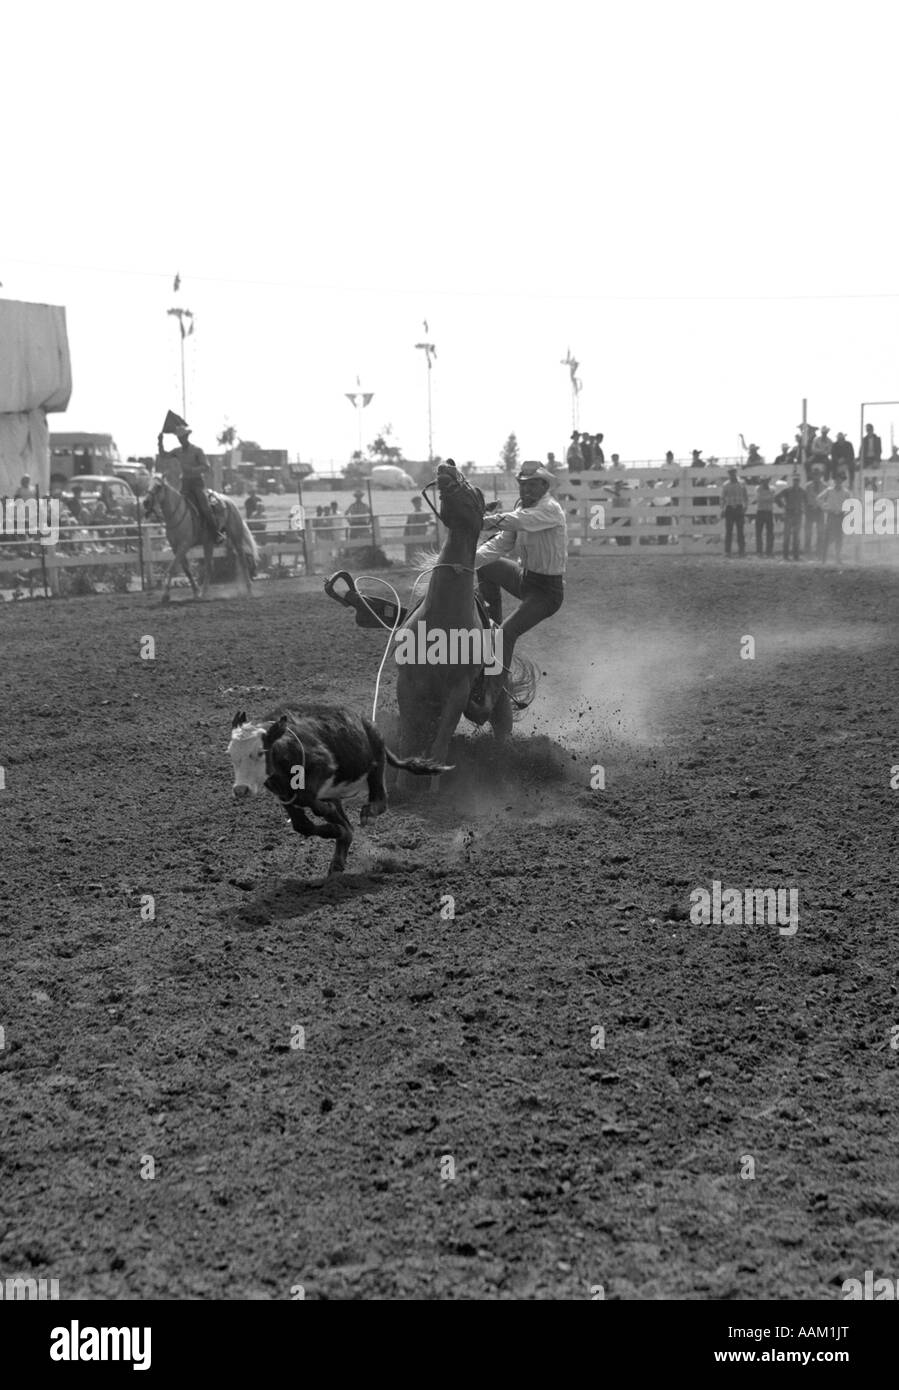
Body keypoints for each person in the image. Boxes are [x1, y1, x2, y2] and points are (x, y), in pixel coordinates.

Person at [475, 463, 567, 695]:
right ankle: (490, 623)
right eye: (523, 484)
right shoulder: (522, 510)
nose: (526, 489)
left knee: (507, 633)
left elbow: (518, 521)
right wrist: (471, 559)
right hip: (525, 578)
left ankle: (493, 691)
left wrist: (481, 521)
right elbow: (503, 542)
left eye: (532, 484)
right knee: (486, 567)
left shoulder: (550, 509)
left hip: (546, 592)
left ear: (544, 486)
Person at [156, 421, 224, 545]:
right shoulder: (177, 451)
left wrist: (192, 470)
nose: (180, 440)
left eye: (182, 437)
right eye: (179, 438)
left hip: (197, 483)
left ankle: (216, 533)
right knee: (175, 507)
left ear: (186, 437)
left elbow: (206, 467)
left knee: (205, 507)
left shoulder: (197, 451)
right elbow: (163, 455)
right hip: (185, 484)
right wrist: (160, 442)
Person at [819, 474, 851, 563]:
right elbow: (819, 498)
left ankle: (838, 557)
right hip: (831, 515)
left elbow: (851, 504)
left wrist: (846, 513)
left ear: (842, 481)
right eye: (836, 480)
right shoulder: (829, 491)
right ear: (834, 481)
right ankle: (823, 558)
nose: (838, 482)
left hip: (840, 516)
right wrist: (825, 507)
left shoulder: (846, 492)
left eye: (840, 480)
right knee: (827, 537)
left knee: (839, 538)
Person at [721, 467, 748, 557]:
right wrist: (722, 509)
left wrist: (745, 507)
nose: (732, 475)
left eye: (733, 473)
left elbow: (745, 496)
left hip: (739, 508)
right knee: (729, 531)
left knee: (740, 531)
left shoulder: (741, 483)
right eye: (730, 473)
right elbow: (723, 498)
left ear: (735, 473)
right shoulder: (726, 485)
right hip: (729, 508)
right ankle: (727, 551)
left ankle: (742, 550)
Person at [776, 476, 804, 561]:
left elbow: (807, 501)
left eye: (797, 480)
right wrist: (782, 505)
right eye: (795, 480)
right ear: (793, 481)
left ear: (799, 481)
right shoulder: (788, 490)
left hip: (797, 514)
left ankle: (796, 555)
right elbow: (777, 497)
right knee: (787, 535)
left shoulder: (802, 491)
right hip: (789, 513)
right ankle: (786, 555)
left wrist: (803, 509)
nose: (796, 482)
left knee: (796, 536)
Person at [803, 467, 827, 557]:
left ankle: (819, 551)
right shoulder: (808, 486)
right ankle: (807, 552)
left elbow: (827, 499)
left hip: (819, 510)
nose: (816, 476)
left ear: (821, 475)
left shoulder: (825, 486)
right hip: (810, 509)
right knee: (808, 531)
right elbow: (804, 498)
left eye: (818, 474)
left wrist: (823, 506)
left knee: (820, 531)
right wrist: (806, 508)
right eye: (815, 474)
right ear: (812, 475)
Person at [403, 494, 431, 562]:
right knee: (413, 550)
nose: (418, 504)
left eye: (419, 502)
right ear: (413, 504)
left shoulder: (425, 513)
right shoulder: (411, 514)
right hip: (413, 535)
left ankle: (424, 561)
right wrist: (405, 536)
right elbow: (407, 526)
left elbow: (431, 520)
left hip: (422, 534)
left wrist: (429, 522)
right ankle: (411, 562)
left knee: (423, 550)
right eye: (416, 503)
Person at [754, 478, 775, 557]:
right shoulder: (758, 489)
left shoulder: (772, 488)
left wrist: (766, 498)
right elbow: (760, 498)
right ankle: (759, 551)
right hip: (761, 511)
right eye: (763, 481)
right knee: (759, 532)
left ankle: (769, 551)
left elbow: (771, 499)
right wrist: (768, 497)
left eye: (766, 481)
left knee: (770, 532)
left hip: (768, 511)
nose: (765, 482)